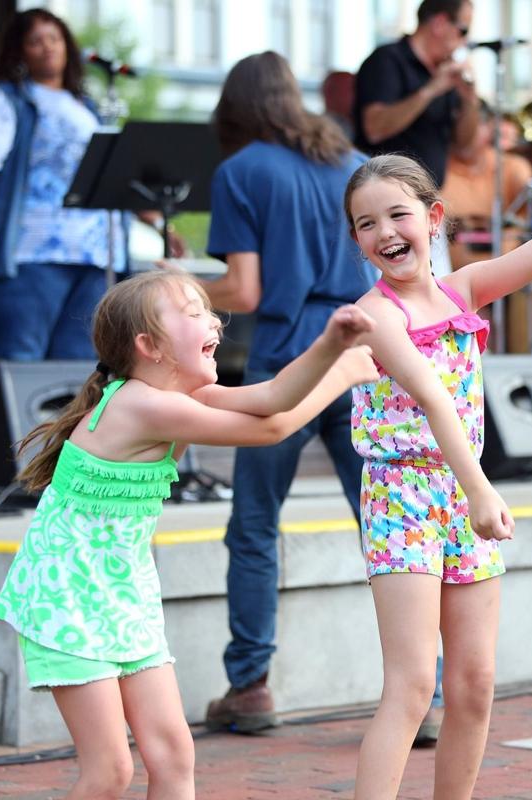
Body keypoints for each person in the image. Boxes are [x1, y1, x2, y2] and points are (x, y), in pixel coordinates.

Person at [0, 269, 378, 800]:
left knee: (174, 757)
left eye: (207, 310)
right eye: (192, 313)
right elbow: (270, 429)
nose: (212, 319)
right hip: (66, 597)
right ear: (149, 347)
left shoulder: (180, 398)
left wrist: (333, 348)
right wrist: (343, 367)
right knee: (109, 773)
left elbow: (271, 398)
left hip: (122, 594)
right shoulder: (143, 404)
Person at [345, 84, 532, 799]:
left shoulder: (463, 291)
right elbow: (434, 397)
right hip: (402, 493)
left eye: (397, 215)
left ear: (433, 219)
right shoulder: (371, 314)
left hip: (462, 492)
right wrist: (481, 489)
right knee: (413, 687)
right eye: (365, 224)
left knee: (474, 685)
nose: (384, 232)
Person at [190, 51, 376, 735]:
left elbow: (243, 291)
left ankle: (250, 688)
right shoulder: (356, 162)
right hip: (363, 355)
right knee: (388, 524)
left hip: (286, 364)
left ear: (234, 109)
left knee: (255, 523)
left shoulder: (241, 171)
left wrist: (175, 287)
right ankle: (428, 691)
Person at [0, 9, 177, 391]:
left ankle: (60, 450)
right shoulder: (6, 102)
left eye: (55, 39)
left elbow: (108, 173)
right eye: (36, 40)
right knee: (18, 360)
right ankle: (3, 449)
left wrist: (157, 220)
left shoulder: (85, 106)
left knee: (78, 365)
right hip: (30, 255)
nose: (47, 47)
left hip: (93, 255)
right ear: (19, 51)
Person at [353, 0, 481, 278]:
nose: (465, 40)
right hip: (383, 206)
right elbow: (375, 127)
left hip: (426, 204)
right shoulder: (387, 61)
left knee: (435, 297)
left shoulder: (445, 73)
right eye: (462, 30)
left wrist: (469, 100)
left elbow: (466, 146)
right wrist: (431, 90)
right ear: (439, 24)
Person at [441, 100, 532, 271]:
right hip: (449, 285)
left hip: (508, 281)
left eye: (471, 125)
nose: (462, 133)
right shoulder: (434, 171)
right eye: (456, 124)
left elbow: (530, 211)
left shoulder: (512, 167)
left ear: (490, 127)